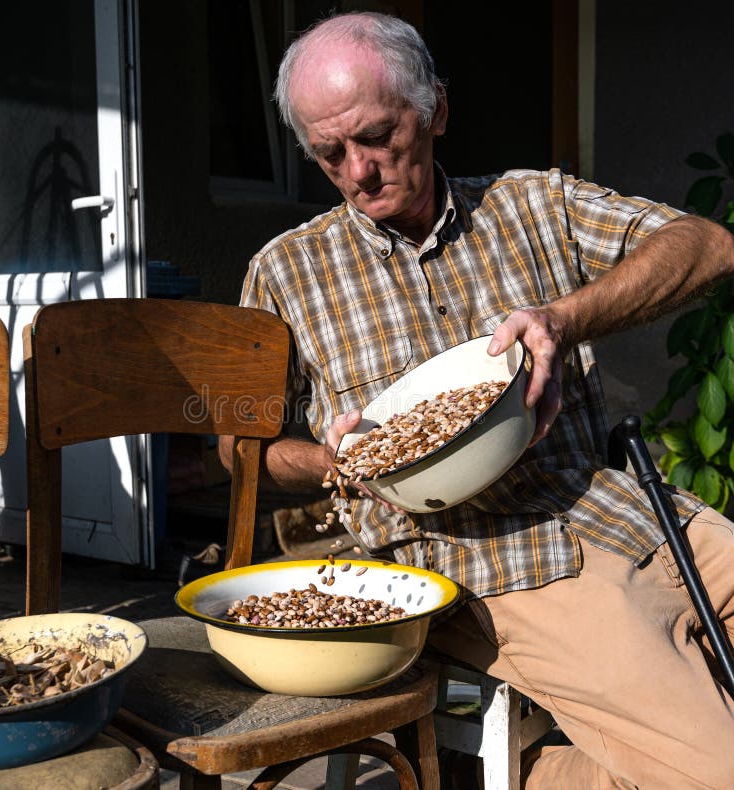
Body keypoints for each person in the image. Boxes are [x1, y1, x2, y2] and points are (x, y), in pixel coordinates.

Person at [218, 11, 734, 788]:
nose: (358, 172)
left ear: (436, 113)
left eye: (376, 137)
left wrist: (564, 317)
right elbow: (237, 448)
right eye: (329, 153)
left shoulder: (532, 205)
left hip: (631, 512)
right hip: (496, 567)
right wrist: (334, 458)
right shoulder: (287, 272)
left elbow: (708, 245)